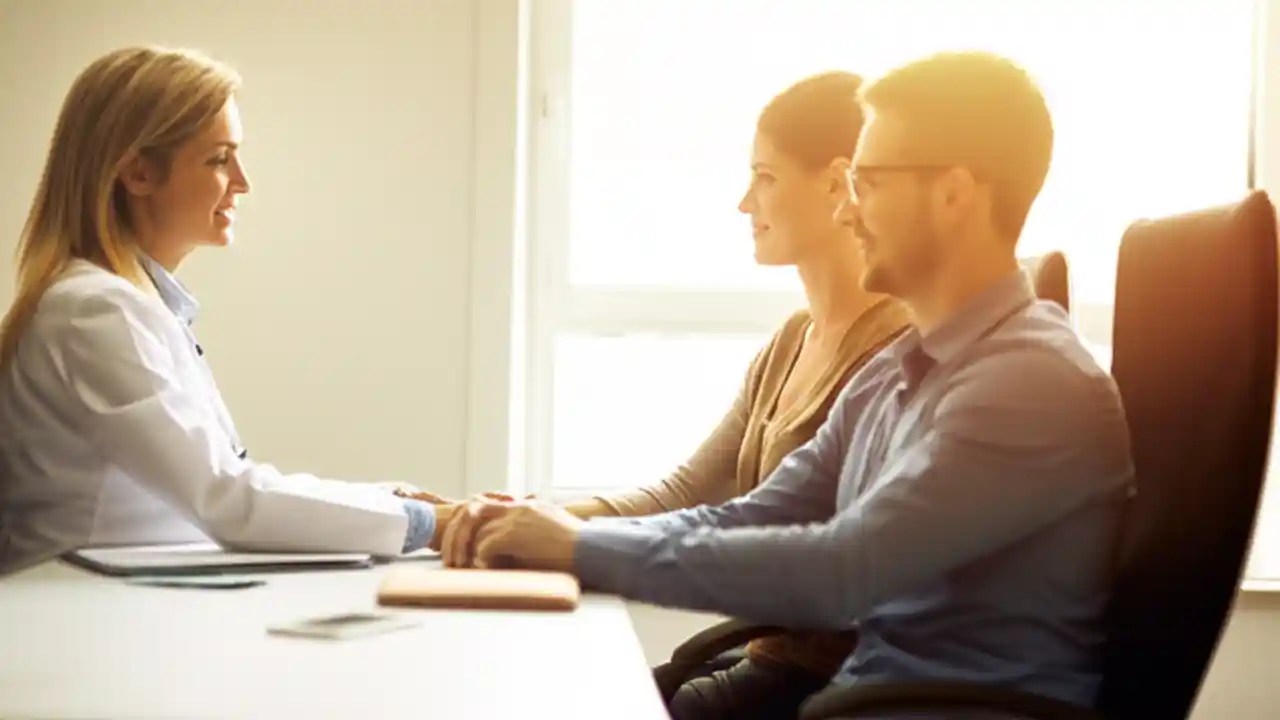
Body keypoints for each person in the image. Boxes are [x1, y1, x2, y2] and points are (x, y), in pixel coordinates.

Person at [441, 51, 1135, 718]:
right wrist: (560, 533)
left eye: (868, 183)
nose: (847, 211)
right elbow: (748, 515)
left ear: (954, 194)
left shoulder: (1028, 384)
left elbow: (843, 571)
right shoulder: (898, 372)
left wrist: (579, 549)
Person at [416, 71, 910, 717]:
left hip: (826, 683)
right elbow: (683, 494)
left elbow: (790, 545)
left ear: (835, 184)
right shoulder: (793, 339)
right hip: (768, 656)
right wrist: (492, 521)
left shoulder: (894, 352)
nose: (745, 203)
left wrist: (555, 540)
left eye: (765, 177)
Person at [0, 46, 447, 575]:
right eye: (219, 159)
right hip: (81, 603)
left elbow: (224, 491)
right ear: (138, 173)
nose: (242, 181)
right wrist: (432, 524)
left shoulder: (127, 305)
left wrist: (395, 503)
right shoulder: (93, 312)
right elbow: (228, 501)